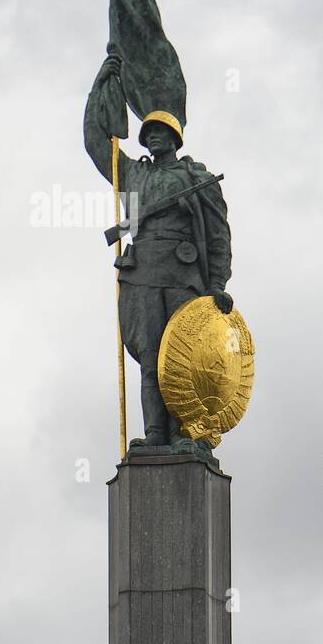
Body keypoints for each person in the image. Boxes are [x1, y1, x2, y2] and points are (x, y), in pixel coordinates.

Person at [83, 52, 233, 451]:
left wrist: (217, 282)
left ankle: (189, 432)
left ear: (175, 138)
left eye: (159, 131)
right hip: (143, 272)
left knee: (185, 360)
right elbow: (97, 143)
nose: (151, 136)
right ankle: (155, 435)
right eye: (147, 132)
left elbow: (218, 236)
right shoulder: (133, 175)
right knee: (151, 360)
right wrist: (102, 86)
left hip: (184, 275)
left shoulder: (196, 179)